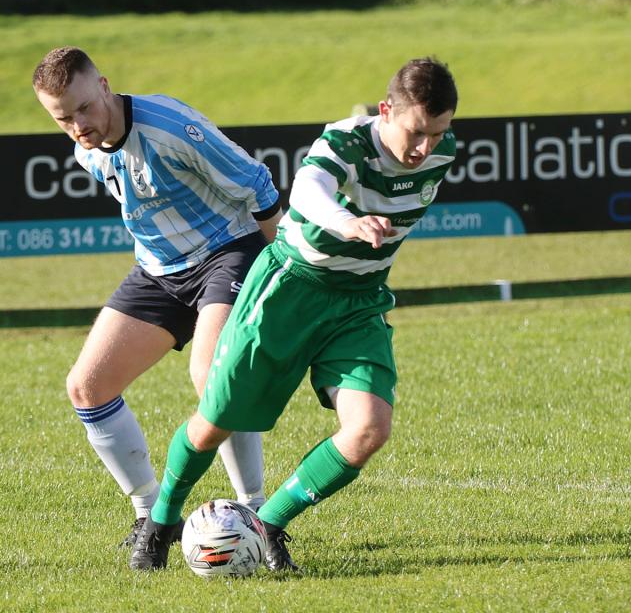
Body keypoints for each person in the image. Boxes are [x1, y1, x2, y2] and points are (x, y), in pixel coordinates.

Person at [130, 56, 458, 572]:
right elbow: (308, 191)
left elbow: (422, 161)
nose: (425, 148)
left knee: (369, 429)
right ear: (385, 110)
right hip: (290, 288)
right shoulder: (345, 142)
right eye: (417, 132)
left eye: (438, 134)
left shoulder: (442, 152)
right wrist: (347, 224)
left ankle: (268, 526)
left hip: (359, 301)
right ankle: (161, 519)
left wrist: (364, 240)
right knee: (216, 419)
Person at [32, 47, 283, 549]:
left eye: (84, 108)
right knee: (87, 387)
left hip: (226, 251)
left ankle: (255, 516)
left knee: (212, 376)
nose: (78, 125)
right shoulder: (86, 147)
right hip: (159, 270)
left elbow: (256, 182)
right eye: (63, 118)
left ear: (103, 85)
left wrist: (281, 271)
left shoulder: (169, 125)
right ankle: (151, 517)